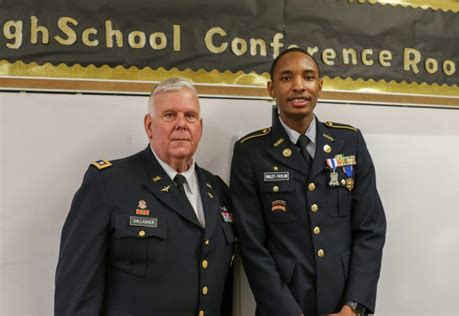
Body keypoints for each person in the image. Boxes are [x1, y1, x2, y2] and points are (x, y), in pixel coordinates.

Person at [55, 77, 235, 316]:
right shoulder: (109, 184)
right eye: (170, 115)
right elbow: (77, 288)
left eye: (190, 116)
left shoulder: (218, 191)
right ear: (149, 126)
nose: (181, 124)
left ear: (200, 128)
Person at [230, 48, 386, 316]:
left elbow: (370, 229)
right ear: (271, 88)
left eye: (308, 77)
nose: (299, 86)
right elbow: (251, 245)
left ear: (320, 86)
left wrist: (353, 306)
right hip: (282, 306)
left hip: (343, 304)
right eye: (287, 78)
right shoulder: (251, 152)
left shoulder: (349, 142)